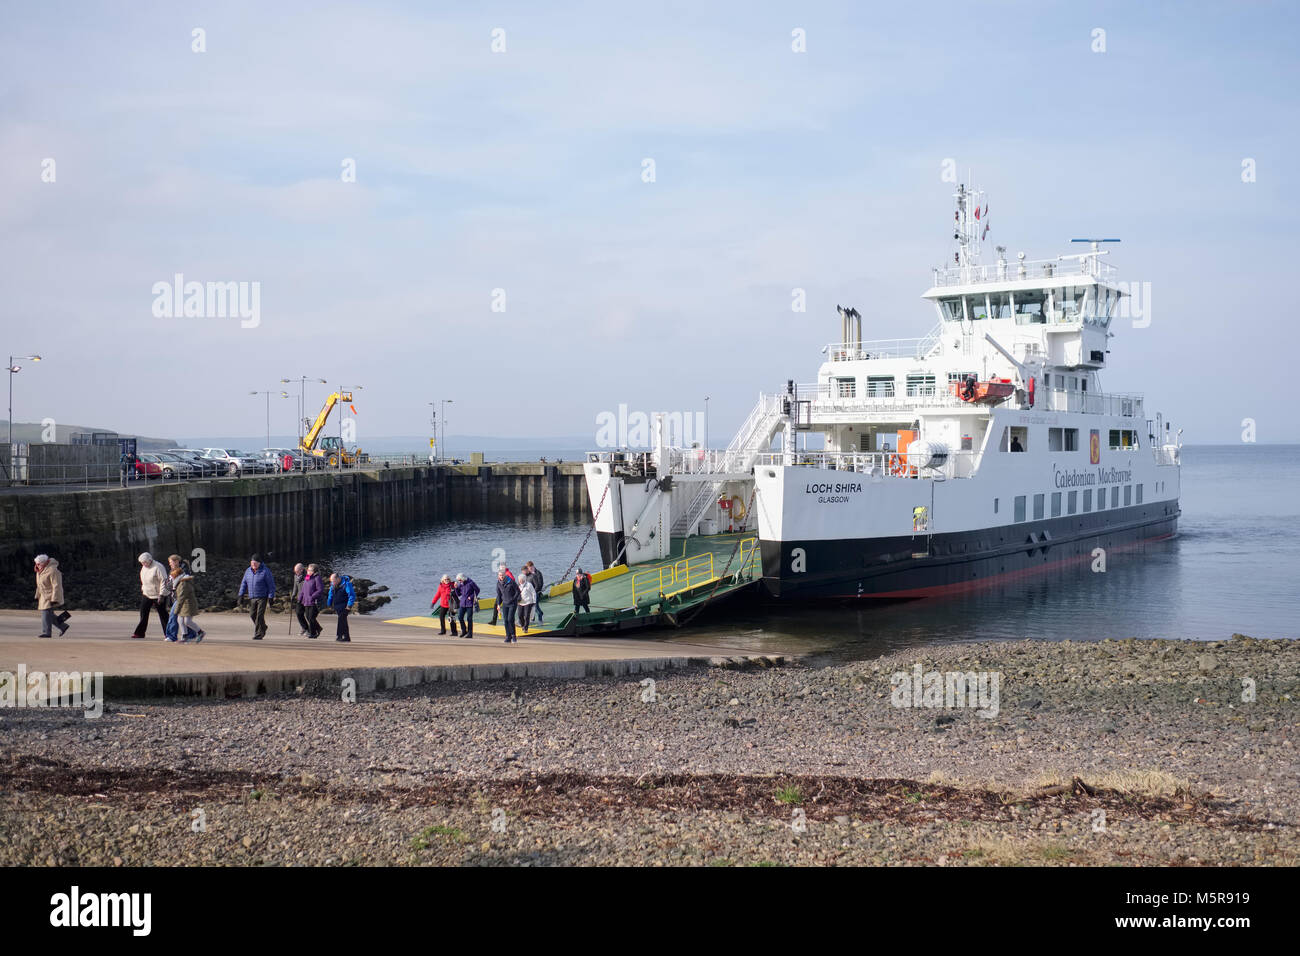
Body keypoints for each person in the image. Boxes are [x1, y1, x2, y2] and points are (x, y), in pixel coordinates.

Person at [236, 553, 276, 640]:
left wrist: (271, 597)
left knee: (259, 616)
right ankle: (263, 627)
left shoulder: (265, 571)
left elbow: (271, 585)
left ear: (259, 563)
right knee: (252, 615)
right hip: (252, 596)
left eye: (255, 563)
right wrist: (240, 595)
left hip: (263, 596)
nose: (253, 564)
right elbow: (243, 584)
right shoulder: (248, 571)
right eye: (252, 563)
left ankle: (258, 634)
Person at [132, 552, 169, 639]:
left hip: (159, 594)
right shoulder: (144, 567)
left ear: (150, 560)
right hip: (147, 594)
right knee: (143, 613)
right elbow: (143, 580)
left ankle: (169, 634)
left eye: (144, 562)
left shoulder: (158, 567)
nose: (143, 564)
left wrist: (162, 594)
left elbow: (164, 581)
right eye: (141, 563)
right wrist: (143, 589)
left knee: (163, 614)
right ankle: (140, 633)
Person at [34, 554, 68, 638]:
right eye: (36, 563)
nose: (37, 565)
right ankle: (63, 626)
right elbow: (39, 585)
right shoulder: (40, 570)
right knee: (49, 615)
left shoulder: (53, 570)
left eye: (39, 563)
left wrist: (55, 598)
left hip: (50, 595)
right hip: (43, 596)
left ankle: (47, 633)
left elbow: (57, 585)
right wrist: (37, 595)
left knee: (45, 613)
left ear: (45, 562)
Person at [171, 564, 204, 643]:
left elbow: (181, 598)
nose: (172, 578)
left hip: (188, 605)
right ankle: (184, 636)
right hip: (184, 604)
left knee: (187, 621)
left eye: (173, 576)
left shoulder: (183, 584)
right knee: (180, 620)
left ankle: (200, 632)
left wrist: (176, 610)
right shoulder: (180, 582)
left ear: (177, 576)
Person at [328, 572, 356, 642]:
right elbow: (330, 595)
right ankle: (347, 637)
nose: (332, 583)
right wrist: (329, 603)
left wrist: (349, 605)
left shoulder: (347, 584)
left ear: (338, 579)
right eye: (331, 581)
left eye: (333, 581)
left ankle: (339, 636)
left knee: (341, 620)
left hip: (345, 606)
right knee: (343, 621)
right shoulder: (333, 585)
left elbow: (352, 595)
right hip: (337, 606)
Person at [495, 567, 520, 643]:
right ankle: (508, 636)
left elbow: (518, 591)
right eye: (500, 575)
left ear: (505, 575)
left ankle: (513, 636)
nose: (501, 576)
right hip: (505, 604)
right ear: (498, 576)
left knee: (510, 619)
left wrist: (513, 598)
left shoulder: (511, 581)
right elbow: (499, 595)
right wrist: (498, 604)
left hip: (512, 603)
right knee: (505, 620)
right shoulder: (498, 583)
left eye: (502, 575)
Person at [299, 564, 324, 638]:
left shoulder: (317, 578)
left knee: (311, 617)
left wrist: (312, 596)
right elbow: (303, 588)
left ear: (314, 571)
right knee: (307, 616)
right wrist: (300, 597)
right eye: (308, 570)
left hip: (314, 601)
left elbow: (320, 590)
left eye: (310, 570)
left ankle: (313, 633)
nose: (308, 571)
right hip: (306, 601)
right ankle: (318, 628)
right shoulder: (307, 577)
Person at [454, 573, 479, 639]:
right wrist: (456, 588)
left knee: (469, 618)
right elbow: (458, 594)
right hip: (462, 603)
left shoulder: (471, 582)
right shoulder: (460, 584)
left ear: (463, 578)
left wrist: (472, 597)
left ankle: (470, 634)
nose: (459, 582)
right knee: (460, 617)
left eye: (460, 580)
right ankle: (464, 630)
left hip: (470, 603)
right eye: (458, 580)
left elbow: (477, 590)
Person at [291, 563, 309, 636]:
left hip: (307, 598)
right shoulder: (296, 576)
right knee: (298, 613)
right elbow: (295, 586)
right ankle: (304, 628)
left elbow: (309, 585)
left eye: (297, 571)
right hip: (300, 597)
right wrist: (293, 595)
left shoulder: (307, 576)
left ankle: (311, 629)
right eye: (295, 571)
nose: (296, 572)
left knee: (308, 615)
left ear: (302, 570)